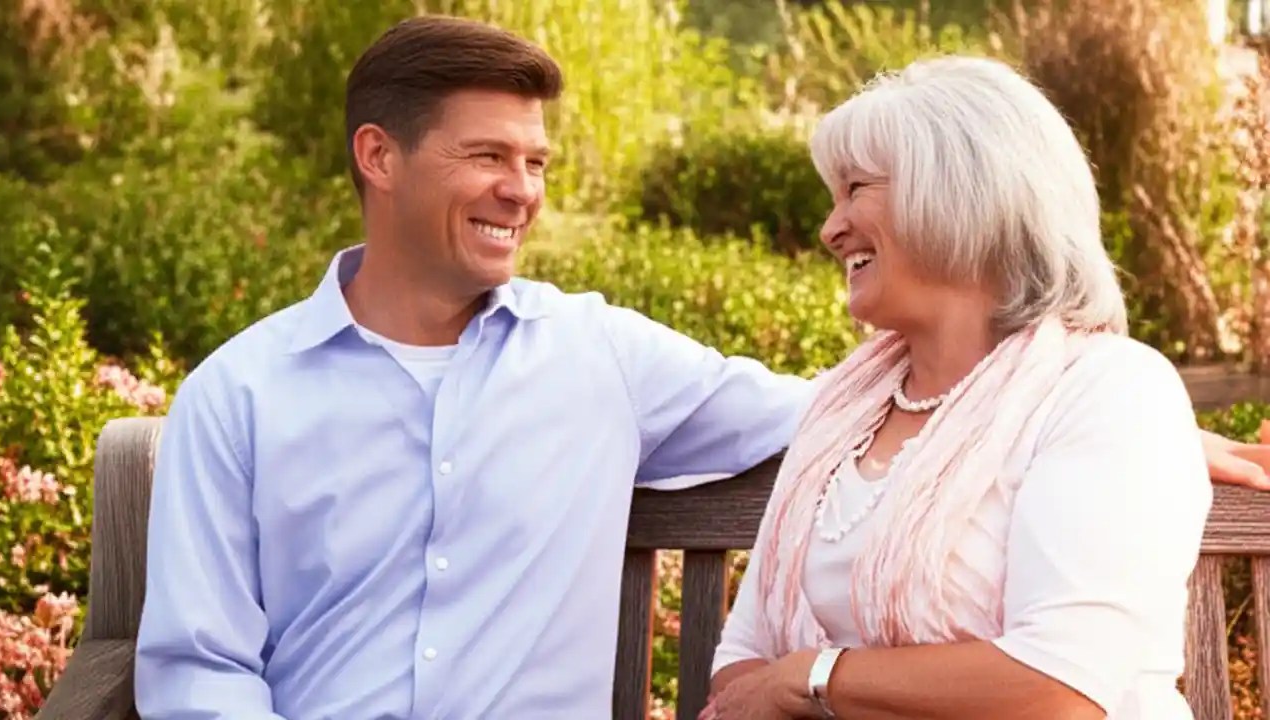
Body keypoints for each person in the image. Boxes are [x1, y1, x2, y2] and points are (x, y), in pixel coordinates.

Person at [133, 16, 1270, 720]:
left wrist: (1145, 427)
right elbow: (199, 674)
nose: (520, 190)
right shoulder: (238, 398)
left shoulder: (598, 357)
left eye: (533, 161)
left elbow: (885, 412)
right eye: (486, 155)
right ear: (376, 158)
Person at [702, 56, 1217, 720]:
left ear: (959, 194)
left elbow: (1059, 690)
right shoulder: (840, 408)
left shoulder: (1110, 391)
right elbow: (742, 661)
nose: (831, 230)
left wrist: (811, 682)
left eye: (856, 189)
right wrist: (787, 685)